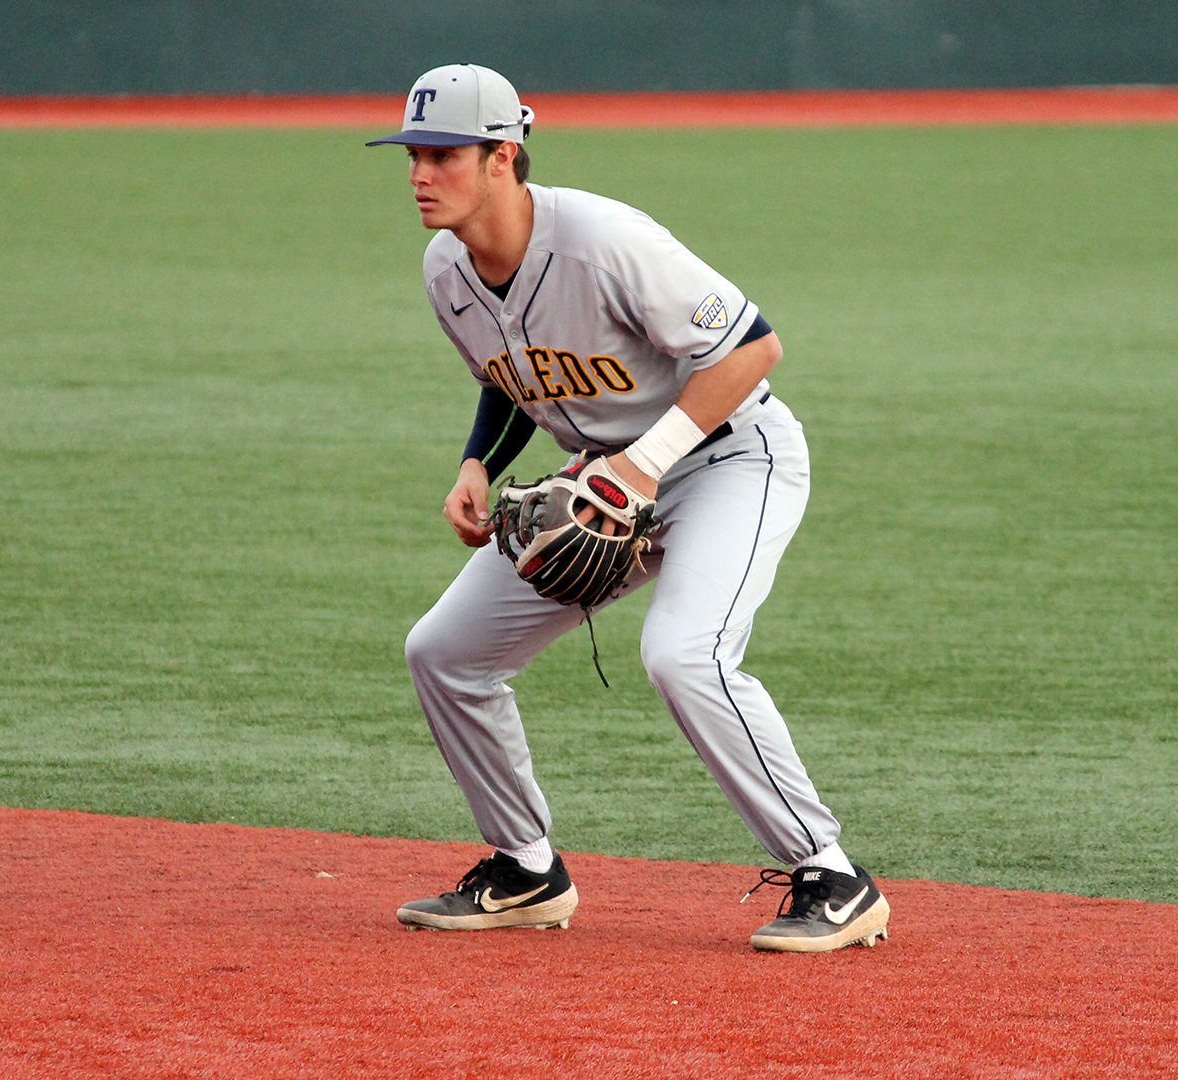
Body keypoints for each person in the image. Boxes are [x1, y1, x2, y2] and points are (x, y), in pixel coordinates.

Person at [368, 64, 888, 952]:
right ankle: (526, 869)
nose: (419, 173)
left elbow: (752, 349)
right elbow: (513, 374)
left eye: (443, 154)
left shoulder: (604, 240)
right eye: (413, 154)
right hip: (603, 488)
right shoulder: (445, 268)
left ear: (503, 156)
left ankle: (832, 874)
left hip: (731, 459)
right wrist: (476, 464)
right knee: (444, 653)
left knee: (685, 655)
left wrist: (642, 467)